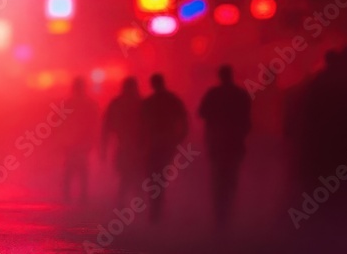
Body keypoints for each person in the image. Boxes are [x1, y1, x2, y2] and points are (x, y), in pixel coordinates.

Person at [197, 65, 251, 228]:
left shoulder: (214, 94)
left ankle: (220, 216)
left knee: (218, 180)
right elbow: (247, 120)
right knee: (231, 179)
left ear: (220, 76)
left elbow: (201, 113)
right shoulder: (241, 94)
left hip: (217, 143)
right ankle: (228, 213)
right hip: (234, 143)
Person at [138, 74, 188, 223]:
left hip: (154, 145)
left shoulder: (149, 102)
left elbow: (140, 127)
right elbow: (184, 121)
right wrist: (179, 139)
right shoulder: (172, 100)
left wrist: (140, 145)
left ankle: (156, 211)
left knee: (154, 177)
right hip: (166, 143)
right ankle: (158, 211)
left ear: (152, 84)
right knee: (160, 176)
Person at [101, 77, 144, 204]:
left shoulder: (118, 103)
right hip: (133, 147)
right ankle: (134, 205)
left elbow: (106, 127)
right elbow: (107, 126)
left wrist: (103, 147)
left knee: (128, 177)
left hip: (132, 147)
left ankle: (124, 204)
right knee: (132, 177)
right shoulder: (141, 103)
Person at [63, 77, 99, 203]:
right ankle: (81, 195)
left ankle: (69, 195)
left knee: (71, 168)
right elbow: (94, 123)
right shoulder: (88, 104)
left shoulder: (69, 104)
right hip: (79, 141)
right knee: (80, 168)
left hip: (74, 141)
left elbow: (61, 124)